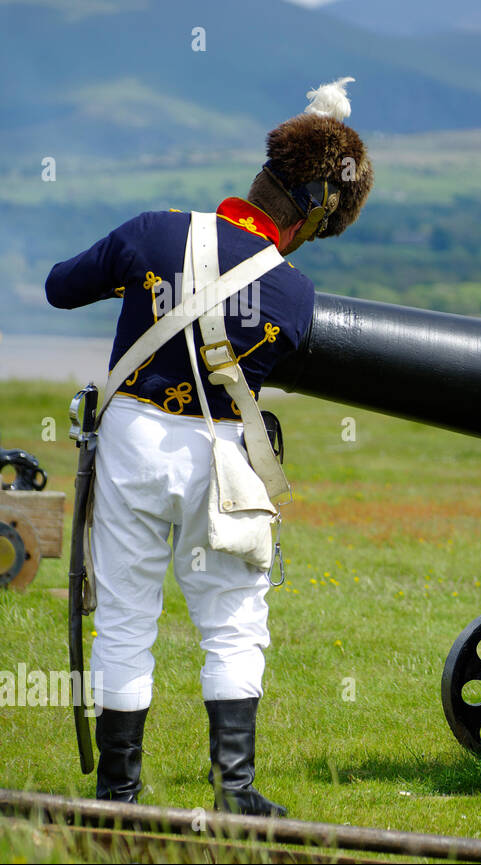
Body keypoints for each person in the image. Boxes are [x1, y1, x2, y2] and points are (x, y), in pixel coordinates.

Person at [46, 78, 373, 813]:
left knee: (126, 617)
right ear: (318, 212)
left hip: (130, 435)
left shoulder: (152, 232)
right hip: (222, 457)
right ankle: (236, 793)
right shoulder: (295, 297)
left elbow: (60, 288)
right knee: (232, 622)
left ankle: (118, 793)